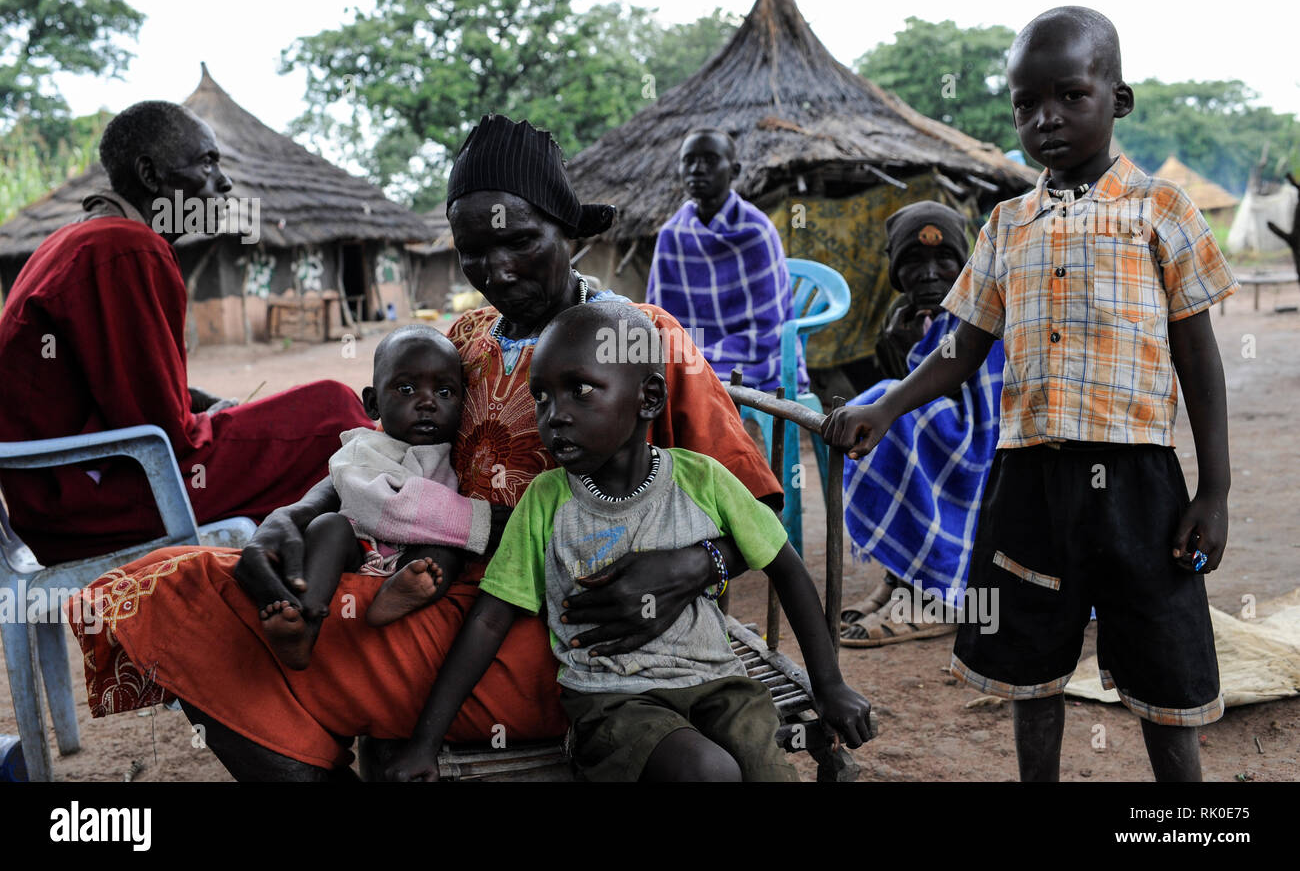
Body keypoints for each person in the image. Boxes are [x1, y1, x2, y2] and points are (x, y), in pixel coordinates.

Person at [68, 114, 782, 780]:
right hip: (430, 593)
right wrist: (298, 509)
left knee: (191, 609)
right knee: (194, 588)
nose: (497, 270)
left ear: (568, 229)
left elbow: (751, 506)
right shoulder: (464, 341)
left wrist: (696, 562)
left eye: (520, 241)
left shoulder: (639, 336)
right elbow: (382, 449)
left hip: (566, 633)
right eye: (474, 252)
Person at [823, 7, 1237, 782]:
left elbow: (1199, 357)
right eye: (1025, 103)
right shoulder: (1007, 225)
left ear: (1118, 99)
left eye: (1069, 95)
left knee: (1161, 656)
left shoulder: (1162, 211)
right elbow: (963, 344)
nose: (1045, 117)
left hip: (1139, 484)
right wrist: (886, 405)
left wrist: (1213, 487)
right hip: (1030, 481)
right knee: (1028, 654)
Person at [383, 302, 872, 782]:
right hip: (611, 697)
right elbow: (490, 618)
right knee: (708, 770)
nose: (554, 415)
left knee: (766, 771)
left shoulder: (702, 480)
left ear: (649, 398)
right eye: (542, 397)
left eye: (580, 390)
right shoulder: (547, 500)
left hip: (720, 684)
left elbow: (785, 567)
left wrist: (829, 687)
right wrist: (425, 742)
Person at [0, 101, 371, 563]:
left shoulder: (74, 241)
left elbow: (131, 393)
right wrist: (215, 418)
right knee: (332, 414)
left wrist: (214, 405)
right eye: (206, 162)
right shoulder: (127, 248)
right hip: (91, 503)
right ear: (152, 176)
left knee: (295, 419)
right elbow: (160, 427)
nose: (224, 180)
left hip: (52, 497)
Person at [257, 325, 489, 669]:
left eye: (444, 392)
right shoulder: (360, 448)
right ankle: (305, 623)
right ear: (373, 403)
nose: (427, 402)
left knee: (446, 554)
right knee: (328, 526)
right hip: (358, 548)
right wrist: (476, 520)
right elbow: (382, 505)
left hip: (411, 562)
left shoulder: (455, 454)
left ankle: (398, 593)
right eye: (407, 389)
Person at [838, 201, 1006, 646]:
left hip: (986, 438)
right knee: (883, 415)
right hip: (949, 429)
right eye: (913, 262)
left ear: (964, 263)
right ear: (896, 272)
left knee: (886, 410)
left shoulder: (980, 307)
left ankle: (935, 595)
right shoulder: (905, 322)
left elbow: (980, 399)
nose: (930, 273)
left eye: (944, 259)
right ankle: (904, 573)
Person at [646, 128, 807, 393]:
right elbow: (662, 318)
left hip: (752, 355)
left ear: (734, 170)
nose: (697, 169)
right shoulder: (672, 234)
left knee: (693, 384)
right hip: (686, 350)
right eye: (689, 160)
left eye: (710, 160)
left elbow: (766, 329)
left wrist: (702, 356)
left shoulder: (756, 232)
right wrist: (686, 353)